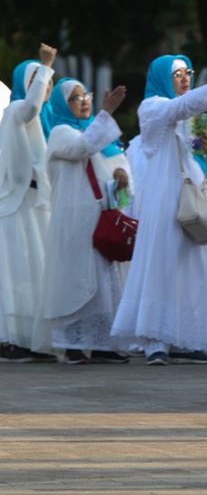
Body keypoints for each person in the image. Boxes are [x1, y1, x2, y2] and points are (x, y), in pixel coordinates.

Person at [111, 52, 207, 365]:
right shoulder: (152, 108)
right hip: (163, 200)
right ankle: (155, 342)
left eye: (188, 72)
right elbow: (179, 107)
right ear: (163, 78)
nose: (185, 78)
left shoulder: (195, 114)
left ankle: (187, 340)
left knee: (193, 268)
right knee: (161, 265)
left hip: (193, 200)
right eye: (178, 75)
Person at [37, 78, 131, 363]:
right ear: (61, 105)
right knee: (74, 281)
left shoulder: (99, 137)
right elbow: (82, 148)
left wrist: (120, 182)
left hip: (97, 220)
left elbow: (105, 174)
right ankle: (73, 345)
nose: (84, 101)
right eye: (75, 98)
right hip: (73, 221)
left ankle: (103, 345)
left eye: (85, 95)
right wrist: (106, 113)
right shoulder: (60, 133)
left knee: (102, 283)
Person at [0, 45, 59, 363]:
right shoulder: (17, 111)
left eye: (49, 80)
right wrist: (47, 65)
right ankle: (12, 340)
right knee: (18, 273)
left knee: (38, 272)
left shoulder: (47, 120)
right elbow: (30, 107)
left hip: (37, 205)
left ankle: (34, 341)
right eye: (38, 79)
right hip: (16, 204)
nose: (46, 85)